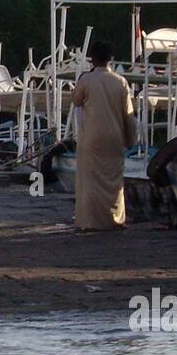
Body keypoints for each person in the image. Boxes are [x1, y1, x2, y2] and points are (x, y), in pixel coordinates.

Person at [70, 40, 138, 231]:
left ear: (92, 59)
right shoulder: (121, 81)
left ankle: (89, 221)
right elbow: (128, 115)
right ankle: (115, 219)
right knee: (114, 181)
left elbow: (76, 101)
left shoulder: (86, 80)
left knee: (89, 181)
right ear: (111, 59)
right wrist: (130, 140)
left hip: (91, 138)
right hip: (114, 137)